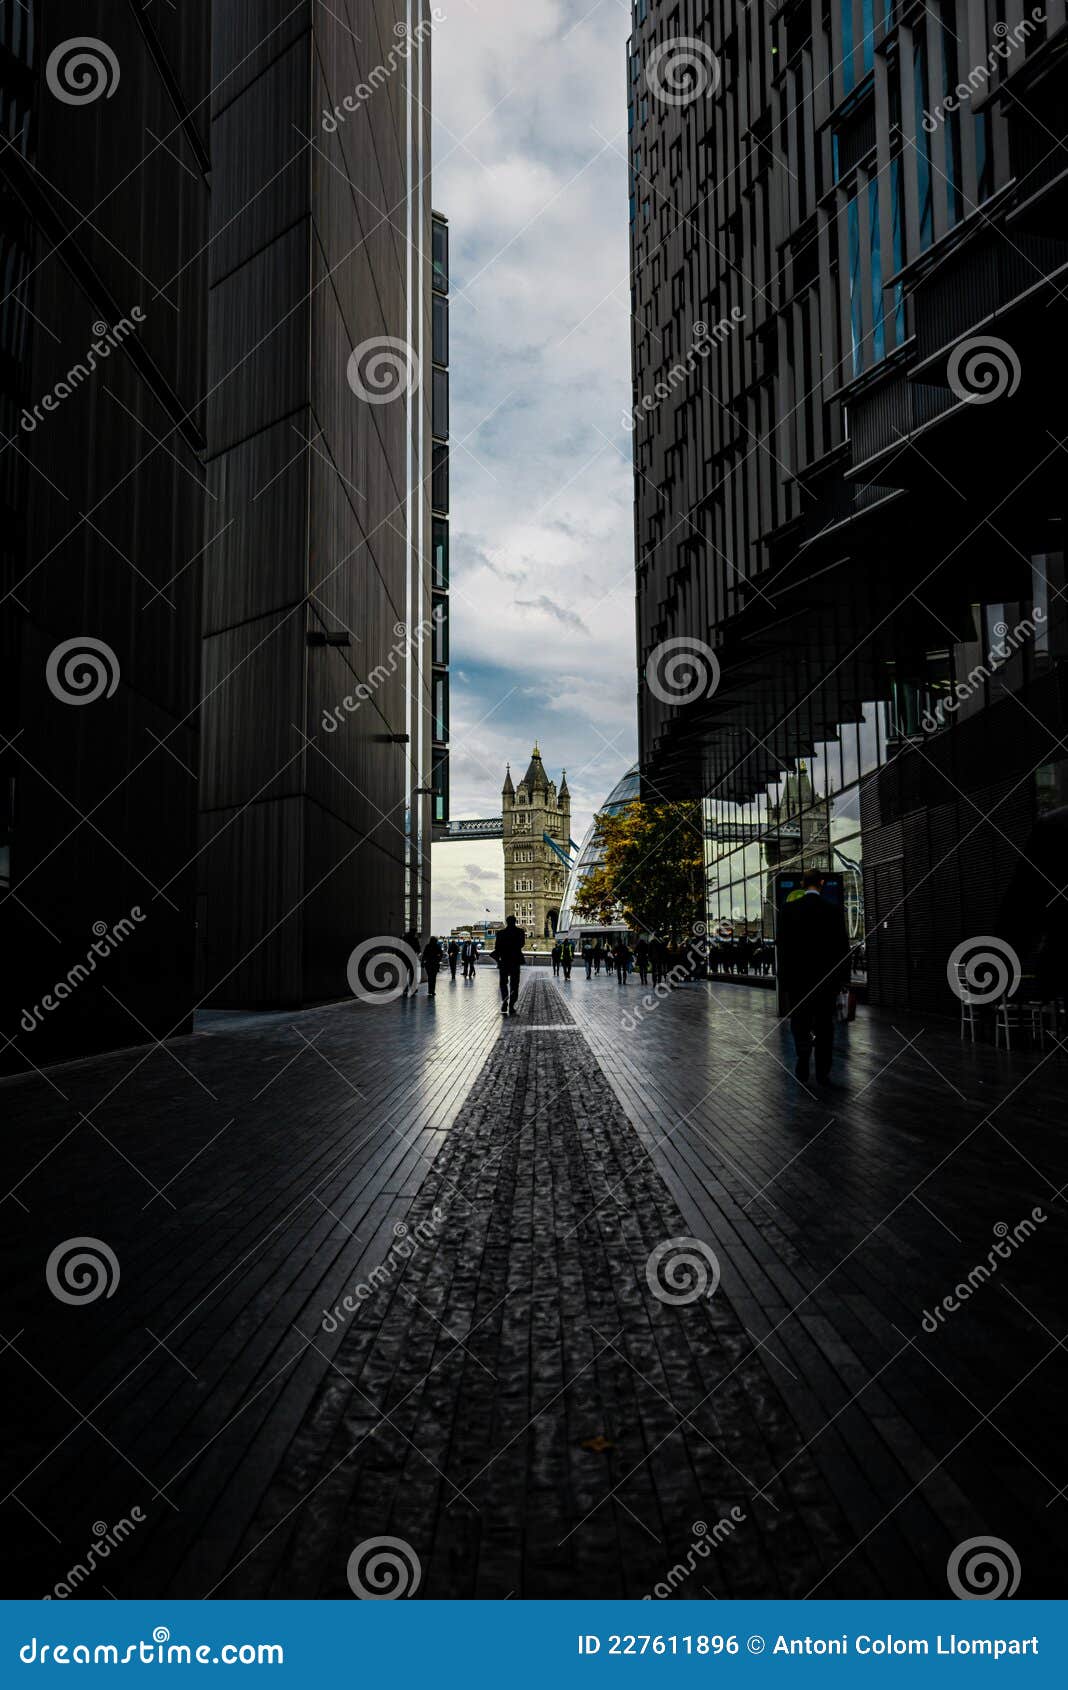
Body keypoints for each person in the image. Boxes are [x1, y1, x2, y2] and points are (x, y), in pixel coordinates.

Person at [776, 869, 851, 1082]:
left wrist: (784, 978)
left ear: (802, 883)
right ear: (822, 883)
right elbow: (842, 948)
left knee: (800, 1022)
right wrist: (843, 979)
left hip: (798, 981)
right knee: (825, 1025)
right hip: (826, 981)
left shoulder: (788, 910)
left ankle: (803, 1055)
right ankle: (822, 1071)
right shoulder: (833, 911)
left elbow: (783, 948)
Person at [493, 914, 525, 1015]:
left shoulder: (500, 933)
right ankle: (511, 1005)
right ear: (515, 922)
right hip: (515, 961)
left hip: (504, 961)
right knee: (514, 984)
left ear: (506, 922)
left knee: (503, 983)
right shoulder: (520, 932)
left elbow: (497, 947)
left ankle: (505, 1000)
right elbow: (522, 944)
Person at [402, 928, 421, 996]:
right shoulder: (415, 939)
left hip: (404, 957)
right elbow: (418, 950)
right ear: (414, 932)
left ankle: (405, 990)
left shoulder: (404, 938)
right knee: (413, 974)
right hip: (412, 958)